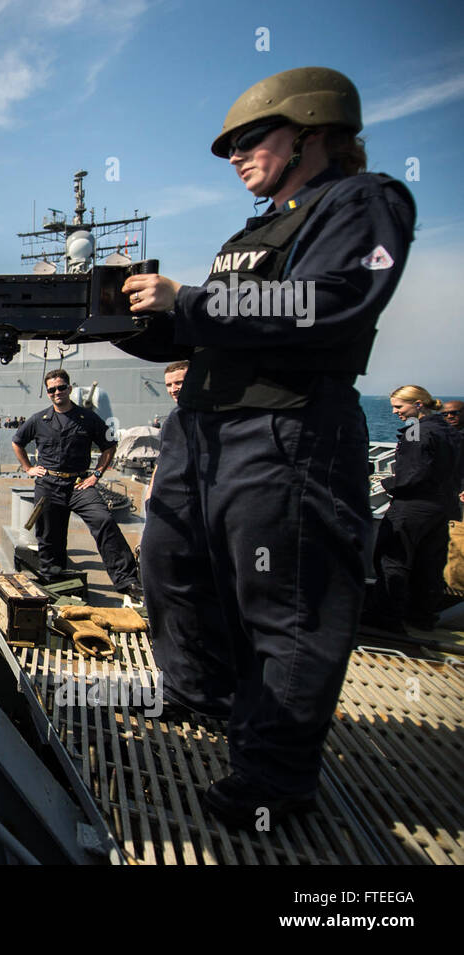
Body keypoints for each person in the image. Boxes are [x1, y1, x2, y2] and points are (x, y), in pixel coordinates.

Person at [116, 67, 416, 828]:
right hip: (204, 431)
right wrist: (136, 321)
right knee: (172, 566)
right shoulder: (255, 230)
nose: (234, 157)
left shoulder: (363, 201)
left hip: (286, 430)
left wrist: (189, 300)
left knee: (285, 606)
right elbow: (215, 320)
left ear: (309, 132)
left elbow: (329, 300)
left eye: (248, 140)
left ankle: (271, 782)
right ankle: (205, 700)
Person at [11, 369, 143, 602]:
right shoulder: (39, 419)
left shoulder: (87, 418)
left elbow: (109, 446)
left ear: (69, 389)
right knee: (49, 536)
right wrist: (28, 468)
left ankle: (127, 581)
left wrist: (97, 475)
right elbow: (17, 442)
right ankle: (54, 584)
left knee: (104, 520)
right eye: (52, 389)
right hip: (49, 483)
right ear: (48, 393)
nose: (57, 392)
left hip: (80, 483)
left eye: (61, 387)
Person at [367, 387, 460, 632]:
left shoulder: (417, 432)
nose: (395, 412)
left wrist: (387, 483)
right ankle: (422, 617)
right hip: (440, 507)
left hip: (412, 506)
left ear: (418, 404)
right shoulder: (448, 430)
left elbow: (412, 474)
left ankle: (387, 618)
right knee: (429, 563)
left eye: (399, 407)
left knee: (394, 559)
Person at [145, 360, 188, 502]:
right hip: (173, 492)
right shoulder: (174, 418)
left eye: (179, 383)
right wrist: (150, 492)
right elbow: (162, 458)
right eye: (169, 385)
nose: (173, 389)